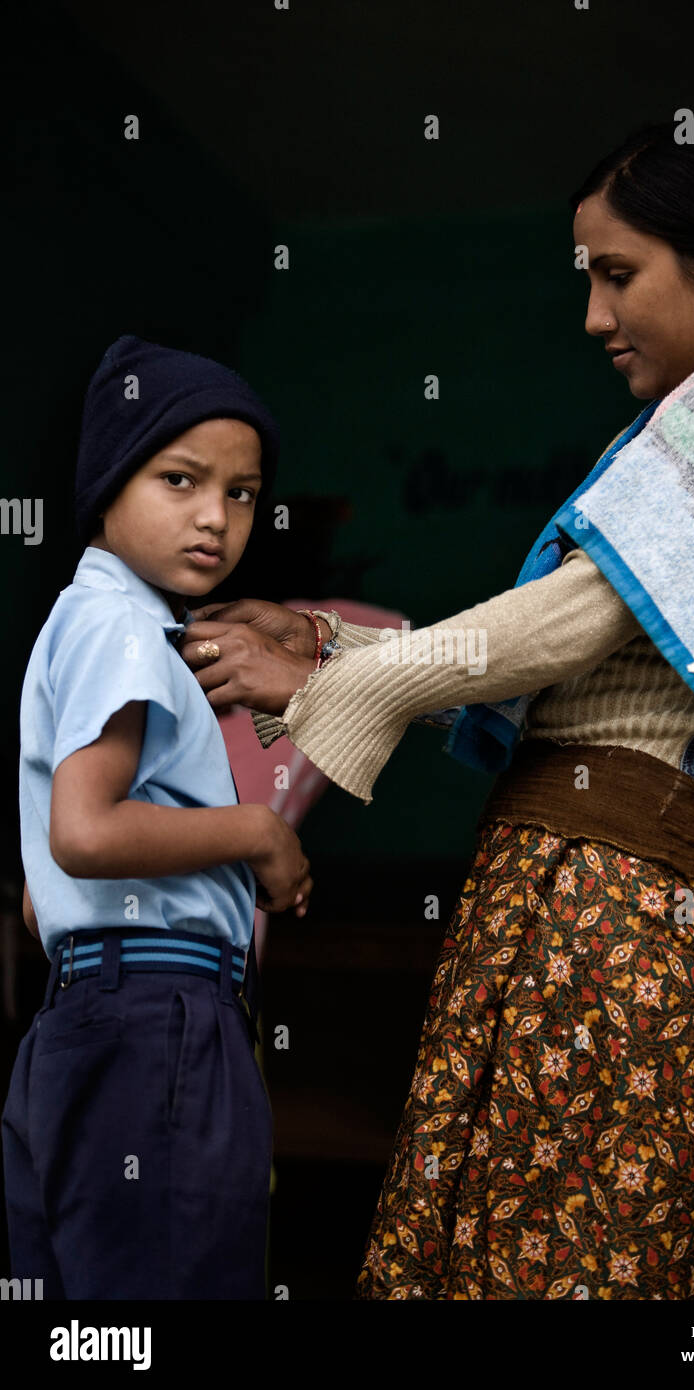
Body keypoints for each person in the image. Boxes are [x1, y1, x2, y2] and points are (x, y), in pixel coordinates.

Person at [180, 124, 694, 1299]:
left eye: (617, 274)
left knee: (559, 1260)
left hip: (617, 915)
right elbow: (568, 691)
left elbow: (571, 623)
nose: (594, 319)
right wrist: (339, 642)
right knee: (506, 1244)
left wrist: (339, 680)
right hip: (581, 891)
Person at [3, 334, 312, 1300]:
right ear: (107, 486)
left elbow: (37, 894)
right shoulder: (127, 627)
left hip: (80, 1021)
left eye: (242, 494)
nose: (215, 519)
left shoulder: (82, 621)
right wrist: (261, 835)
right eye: (179, 480)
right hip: (159, 1026)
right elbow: (86, 834)